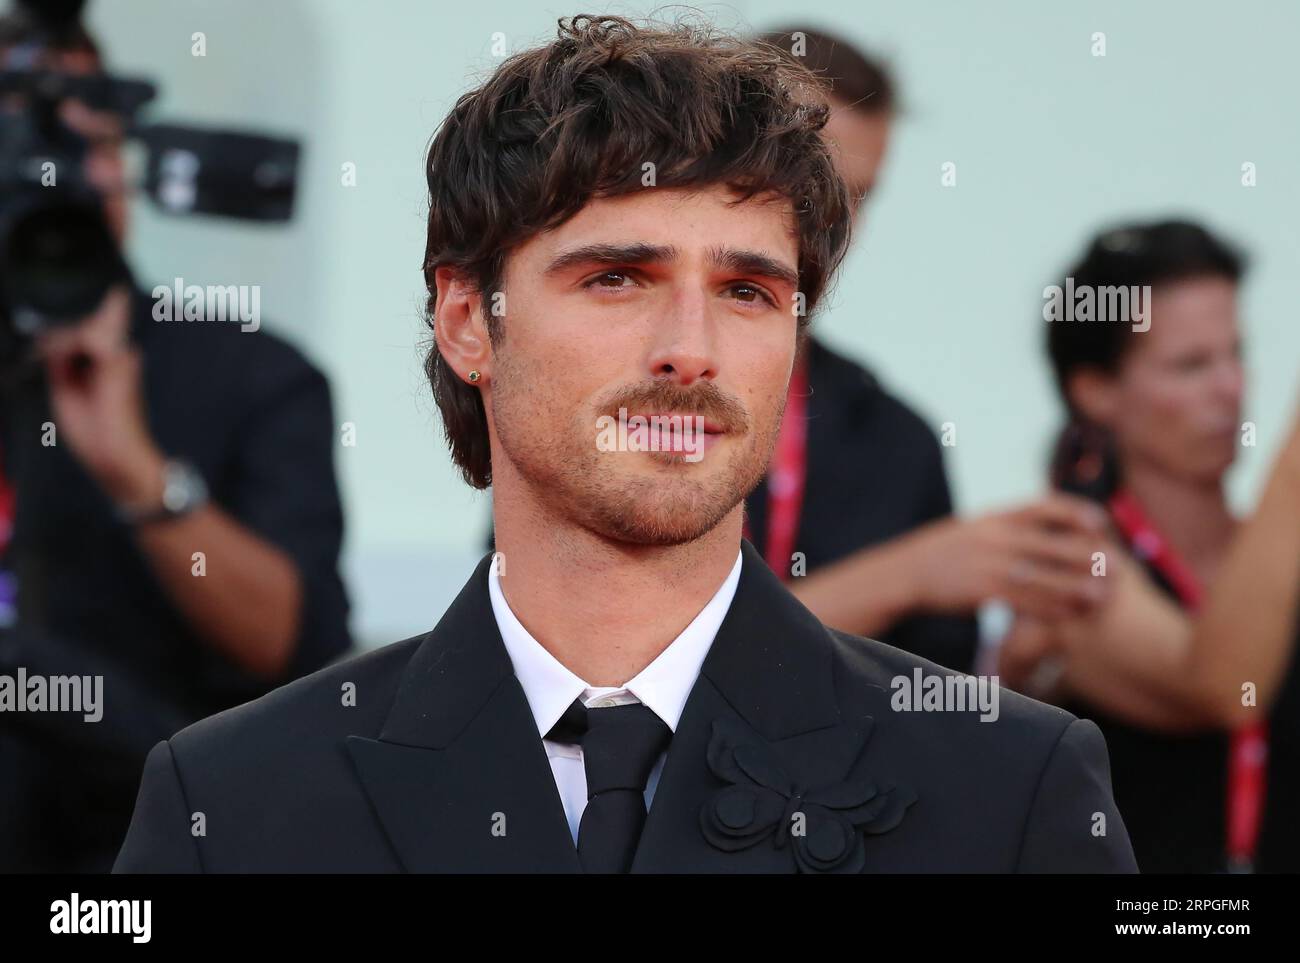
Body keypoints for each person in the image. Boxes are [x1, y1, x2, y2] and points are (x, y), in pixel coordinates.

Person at [115, 14, 1134, 874]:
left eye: (746, 291)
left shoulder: (1012, 793)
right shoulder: (230, 804)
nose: (690, 350)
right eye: (616, 278)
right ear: (468, 321)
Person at [0, 7, 351, 871]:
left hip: (153, 846)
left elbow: (294, 648)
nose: (58, 177)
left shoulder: (251, 374)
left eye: (88, 141)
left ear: (128, 166)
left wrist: (137, 472)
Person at [747, 27, 1106, 673]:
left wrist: (1022, 664)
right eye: (811, 178)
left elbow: (938, 715)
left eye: (861, 195)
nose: (836, 223)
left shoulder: (898, 439)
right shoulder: (621, 383)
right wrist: (904, 576)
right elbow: (612, 658)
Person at [1000, 220, 1300, 872]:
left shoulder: (1274, 549)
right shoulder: (1068, 557)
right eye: (1191, 364)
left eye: (1236, 353)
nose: (1231, 387)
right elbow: (1222, 683)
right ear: (1095, 391)